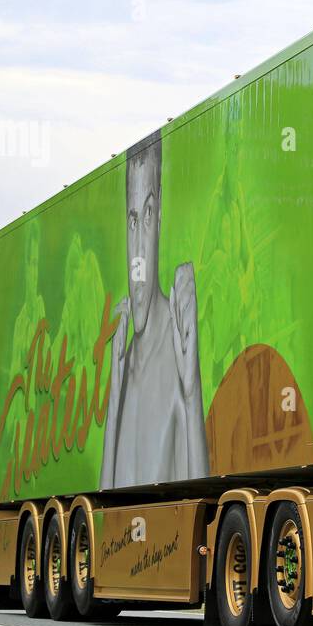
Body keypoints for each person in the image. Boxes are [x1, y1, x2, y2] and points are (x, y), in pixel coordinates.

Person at [101, 133, 209, 488]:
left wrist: (192, 393)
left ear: (160, 218)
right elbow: (105, 505)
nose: (138, 253)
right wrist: (114, 397)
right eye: (132, 220)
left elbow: (200, 499)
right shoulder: (124, 360)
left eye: (147, 215)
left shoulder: (179, 346)